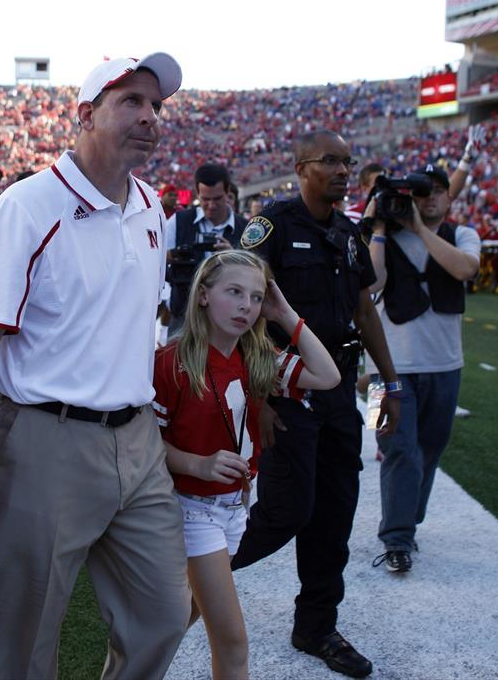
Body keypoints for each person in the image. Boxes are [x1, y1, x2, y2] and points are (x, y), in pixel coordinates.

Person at [0, 53, 191, 679]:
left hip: (137, 439)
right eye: (130, 101)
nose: (148, 117)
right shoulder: (25, 207)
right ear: (84, 114)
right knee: (28, 633)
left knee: (165, 613)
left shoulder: (152, 208)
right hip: (43, 438)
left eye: (155, 106)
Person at [232, 129, 401, 679]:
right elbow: (245, 316)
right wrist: (259, 400)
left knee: (333, 515)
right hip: (287, 396)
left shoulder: (350, 234)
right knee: (284, 513)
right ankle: (191, 577)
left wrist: (387, 389)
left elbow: (364, 315)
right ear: (301, 167)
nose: (343, 170)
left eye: (348, 162)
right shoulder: (271, 228)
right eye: (330, 161)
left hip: (339, 400)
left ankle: (316, 627)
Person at [154, 249, 340, 680]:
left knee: (171, 624)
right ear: (203, 295)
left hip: (234, 510)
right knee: (234, 642)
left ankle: (126, 667)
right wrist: (197, 465)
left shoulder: (257, 356)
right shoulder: (171, 361)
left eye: (256, 298)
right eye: (233, 292)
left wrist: (286, 314)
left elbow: (328, 376)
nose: (246, 306)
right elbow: (144, 443)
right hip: (191, 508)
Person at [365, 164, 480, 572]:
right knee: (397, 451)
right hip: (385, 369)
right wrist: (380, 227)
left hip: (446, 365)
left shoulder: (462, 235)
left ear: (449, 198)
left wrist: (416, 228)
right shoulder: (380, 236)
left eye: (437, 191)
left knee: (430, 451)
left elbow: (465, 269)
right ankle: (396, 539)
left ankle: (406, 525)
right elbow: (372, 282)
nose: (429, 198)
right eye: (421, 192)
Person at [167, 163, 245, 333]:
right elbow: (157, 264)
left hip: (229, 322)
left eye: (217, 199)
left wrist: (234, 258)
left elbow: (256, 278)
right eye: (205, 199)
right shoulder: (178, 222)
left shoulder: (245, 228)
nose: (211, 205)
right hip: (183, 318)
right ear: (197, 194)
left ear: (227, 193)